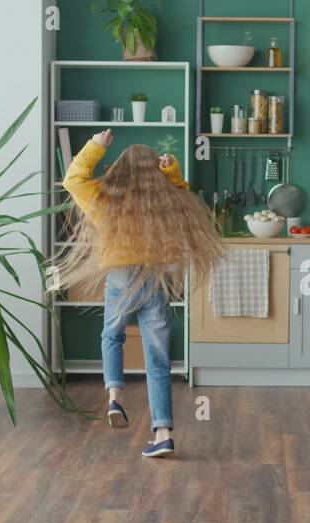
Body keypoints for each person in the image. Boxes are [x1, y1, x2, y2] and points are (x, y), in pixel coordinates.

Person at [56, 129, 223, 458]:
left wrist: (95, 146)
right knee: (158, 360)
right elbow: (185, 196)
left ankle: (115, 398)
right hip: (155, 279)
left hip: (120, 276)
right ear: (153, 174)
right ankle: (162, 433)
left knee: (112, 336)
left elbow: (73, 179)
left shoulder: (104, 198)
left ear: (120, 169)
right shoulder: (163, 202)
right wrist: (171, 171)